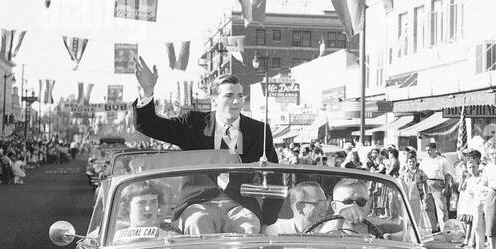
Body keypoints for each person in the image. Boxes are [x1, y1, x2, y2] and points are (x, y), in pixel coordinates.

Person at [133, 60, 277, 162]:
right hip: (198, 202)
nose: (236, 101)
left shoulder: (260, 131)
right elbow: (147, 125)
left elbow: (274, 174)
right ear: (213, 100)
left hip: (242, 203)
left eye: (240, 96)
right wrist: (148, 91)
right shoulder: (192, 124)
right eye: (229, 96)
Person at [312, 178, 384, 237]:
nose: (354, 206)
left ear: (368, 204)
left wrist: (390, 237)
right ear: (334, 206)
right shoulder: (319, 230)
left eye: (361, 201)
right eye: (347, 202)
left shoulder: (381, 230)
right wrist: (339, 216)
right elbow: (318, 245)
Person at [419, 140, 453, 233]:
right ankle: (432, 228)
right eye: (426, 150)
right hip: (427, 183)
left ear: (434, 150)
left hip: (438, 184)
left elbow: (447, 175)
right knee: (428, 207)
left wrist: (446, 188)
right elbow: (420, 173)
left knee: (441, 207)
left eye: (430, 150)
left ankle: (444, 229)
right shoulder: (424, 161)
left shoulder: (442, 160)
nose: (428, 152)